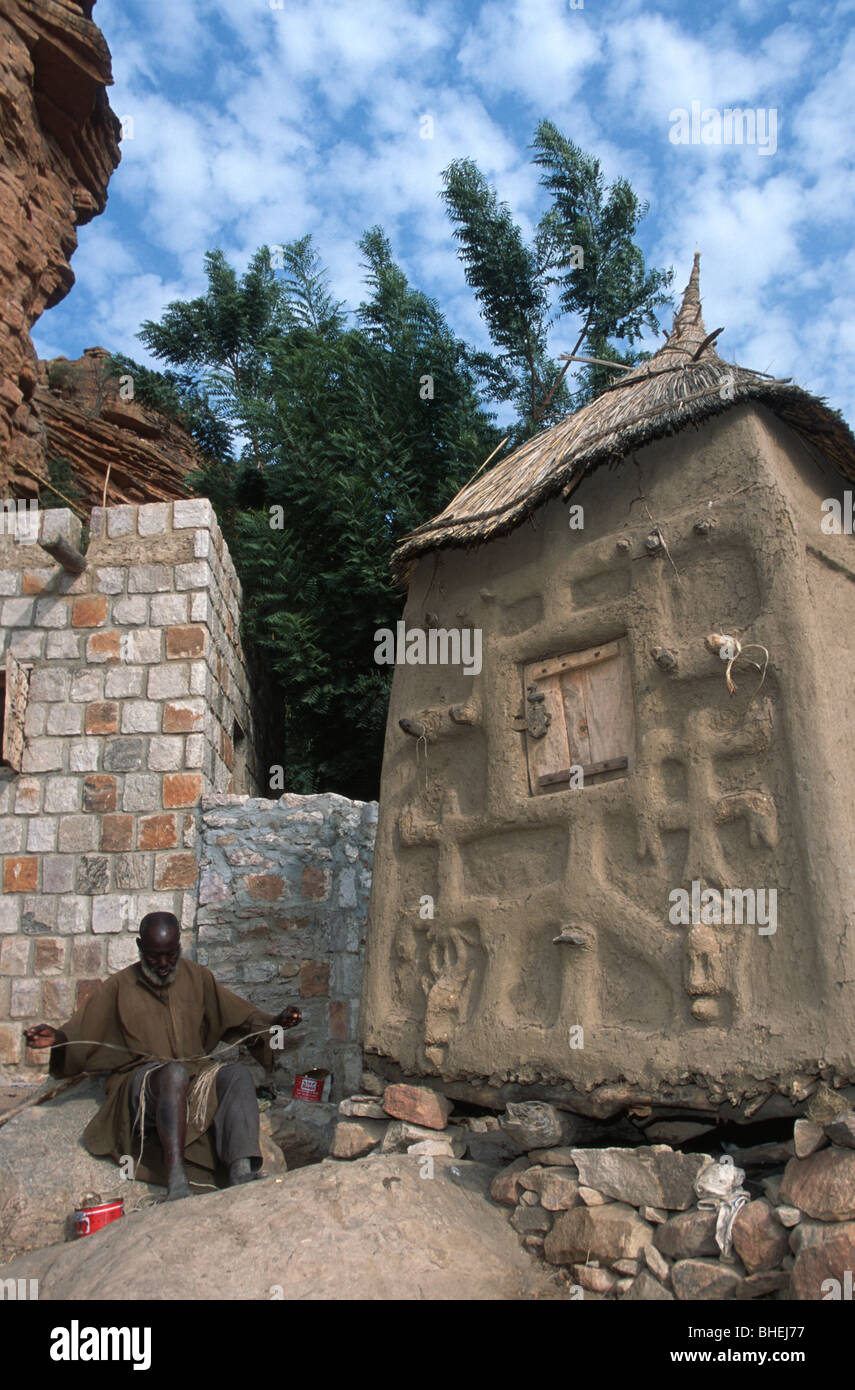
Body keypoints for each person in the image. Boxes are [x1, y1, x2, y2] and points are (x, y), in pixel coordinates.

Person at [25, 911, 301, 1200]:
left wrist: (275, 1023)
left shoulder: (198, 977)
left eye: (171, 955)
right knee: (173, 1074)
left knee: (236, 1075)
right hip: (140, 1082)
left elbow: (237, 1016)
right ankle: (176, 1178)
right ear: (139, 946)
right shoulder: (119, 987)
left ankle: (240, 1170)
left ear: (179, 945)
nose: (165, 964)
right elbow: (81, 1031)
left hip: (194, 1073)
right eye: (156, 956)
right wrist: (58, 1039)